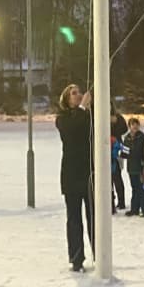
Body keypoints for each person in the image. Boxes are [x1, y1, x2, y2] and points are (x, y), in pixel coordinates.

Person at [55, 84, 94, 272]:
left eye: (79, 92)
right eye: (73, 93)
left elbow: (117, 125)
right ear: (66, 99)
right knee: (74, 218)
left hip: (91, 172)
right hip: (72, 174)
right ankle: (76, 258)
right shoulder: (62, 118)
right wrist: (82, 108)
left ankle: (99, 254)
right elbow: (70, 131)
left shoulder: (88, 114)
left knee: (94, 217)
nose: (78, 95)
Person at [123, 118, 144, 217]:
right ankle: (134, 209)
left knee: (142, 188)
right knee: (134, 188)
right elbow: (125, 151)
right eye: (132, 124)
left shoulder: (142, 136)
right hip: (131, 167)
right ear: (129, 126)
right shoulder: (127, 137)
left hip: (140, 165)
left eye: (136, 124)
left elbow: (142, 151)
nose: (135, 127)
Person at [109, 109, 128, 212]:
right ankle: (110, 201)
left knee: (117, 176)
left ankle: (121, 201)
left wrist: (115, 122)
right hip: (104, 148)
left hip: (117, 148)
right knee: (108, 179)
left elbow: (124, 129)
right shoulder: (98, 115)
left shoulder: (118, 117)